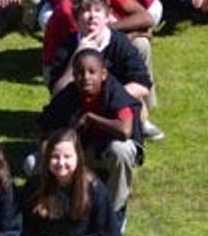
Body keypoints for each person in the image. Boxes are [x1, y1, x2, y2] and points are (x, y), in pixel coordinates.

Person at [18, 129, 128, 236]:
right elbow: (24, 232)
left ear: (78, 157)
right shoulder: (35, 187)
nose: (61, 163)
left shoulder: (94, 187)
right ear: (46, 158)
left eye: (67, 156)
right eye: (55, 157)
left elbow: (110, 232)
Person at [37, 49, 143, 224]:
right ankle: (54, 205)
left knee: (121, 150)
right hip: (78, 152)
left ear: (103, 74)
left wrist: (92, 119)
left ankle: (115, 210)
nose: (86, 77)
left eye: (92, 72)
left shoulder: (114, 92)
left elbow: (125, 130)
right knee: (33, 163)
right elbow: (44, 126)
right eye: (79, 73)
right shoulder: (67, 96)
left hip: (107, 150)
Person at [44, 0, 162, 141]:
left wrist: (107, 102)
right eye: (86, 11)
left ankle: (141, 124)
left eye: (98, 10)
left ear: (107, 17)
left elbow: (143, 85)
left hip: (116, 109)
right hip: (78, 110)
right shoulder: (67, 45)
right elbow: (57, 92)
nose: (92, 16)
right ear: (77, 19)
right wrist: (76, 55)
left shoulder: (120, 43)